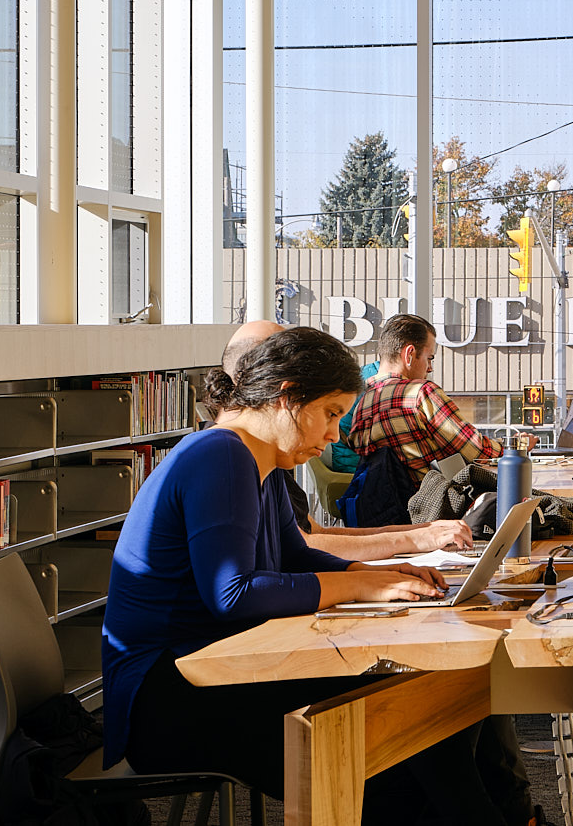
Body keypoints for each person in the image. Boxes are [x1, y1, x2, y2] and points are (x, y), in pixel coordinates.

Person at [101, 326, 511, 820]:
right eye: (331, 414)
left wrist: (376, 573)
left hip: (218, 669)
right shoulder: (221, 455)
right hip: (171, 699)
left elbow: (296, 556)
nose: (335, 435)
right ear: (287, 397)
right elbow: (232, 595)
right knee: (401, 743)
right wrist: (361, 583)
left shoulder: (261, 460)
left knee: (421, 716)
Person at [221, 321, 474, 558]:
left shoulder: (269, 466)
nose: (334, 435)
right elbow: (243, 589)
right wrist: (410, 543)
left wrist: (419, 534)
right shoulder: (226, 461)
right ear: (280, 389)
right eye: (331, 414)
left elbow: (312, 537)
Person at [346, 313, 501, 482]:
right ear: (409, 354)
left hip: (382, 505)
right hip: (432, 504)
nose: (430, 368)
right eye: (429, 358)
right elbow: (478, 451)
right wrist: (513, 446)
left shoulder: (361, 405)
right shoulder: (421, 393)